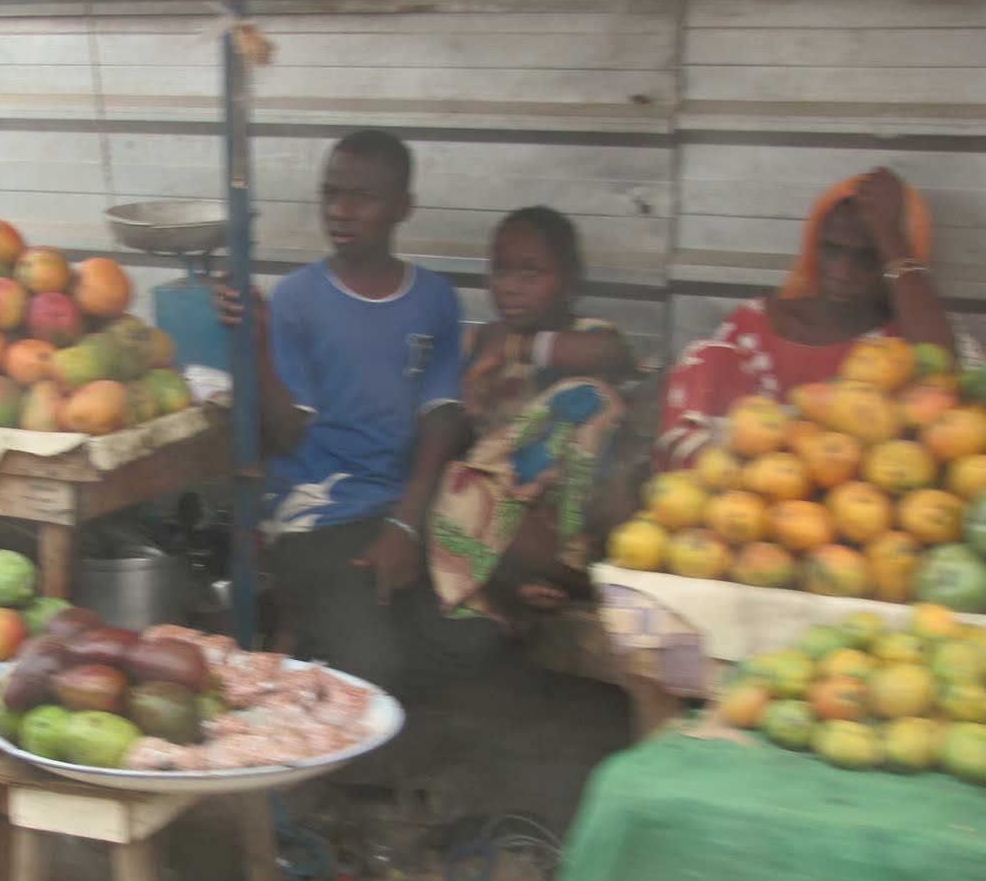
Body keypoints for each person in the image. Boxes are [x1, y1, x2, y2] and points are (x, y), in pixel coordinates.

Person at [217, 129, 478, 695]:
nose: (340, 212)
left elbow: (441, 420)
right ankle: (314, 708)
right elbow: (286, 434)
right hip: (316, 518)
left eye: (361, 196)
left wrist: (405, 525)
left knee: (472, 645)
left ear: (402, 207)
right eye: (329, 194)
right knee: (376, 664)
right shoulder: (296, 300)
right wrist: (257, 343)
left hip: (397, 509)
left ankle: (313, 662)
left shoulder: (433, 298)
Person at [659, 168, 983, 465]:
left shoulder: (906, 344)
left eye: (868, 257)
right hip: (737, 507)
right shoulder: (753, 325)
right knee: (704, 357)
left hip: (850, 508)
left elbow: (944, 368)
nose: (841, 273)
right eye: (830, 250)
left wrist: (891, 238)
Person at [423, 206, 639, 637]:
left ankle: (578, 582)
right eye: (500, 271)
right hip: (513, 510)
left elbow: (606, 356)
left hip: (580, 507)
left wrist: (515, 349)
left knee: (589, 396)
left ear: (570, 283)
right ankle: (540, 585)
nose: (511, 288)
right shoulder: (478, 340)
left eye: (531, 273)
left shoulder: (590, 335)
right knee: (464, 492)